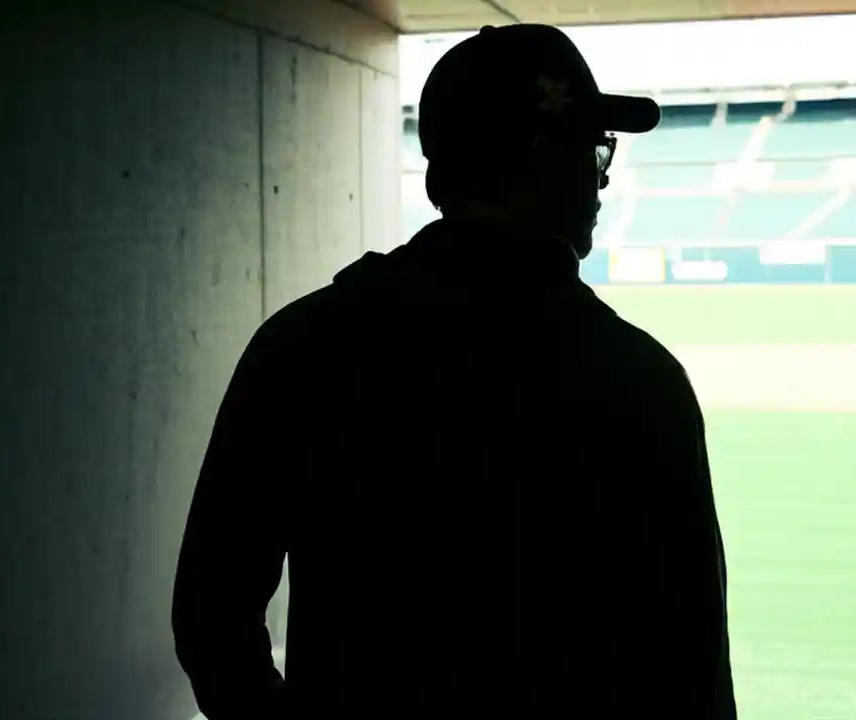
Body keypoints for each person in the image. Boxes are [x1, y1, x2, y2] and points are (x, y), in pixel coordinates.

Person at [172, 23, 736, 717]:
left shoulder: (300, 346)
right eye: (595, 150)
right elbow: (688, 667)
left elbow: (210, 621)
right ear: (543, 156)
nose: (601, 179)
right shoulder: (639, 380)